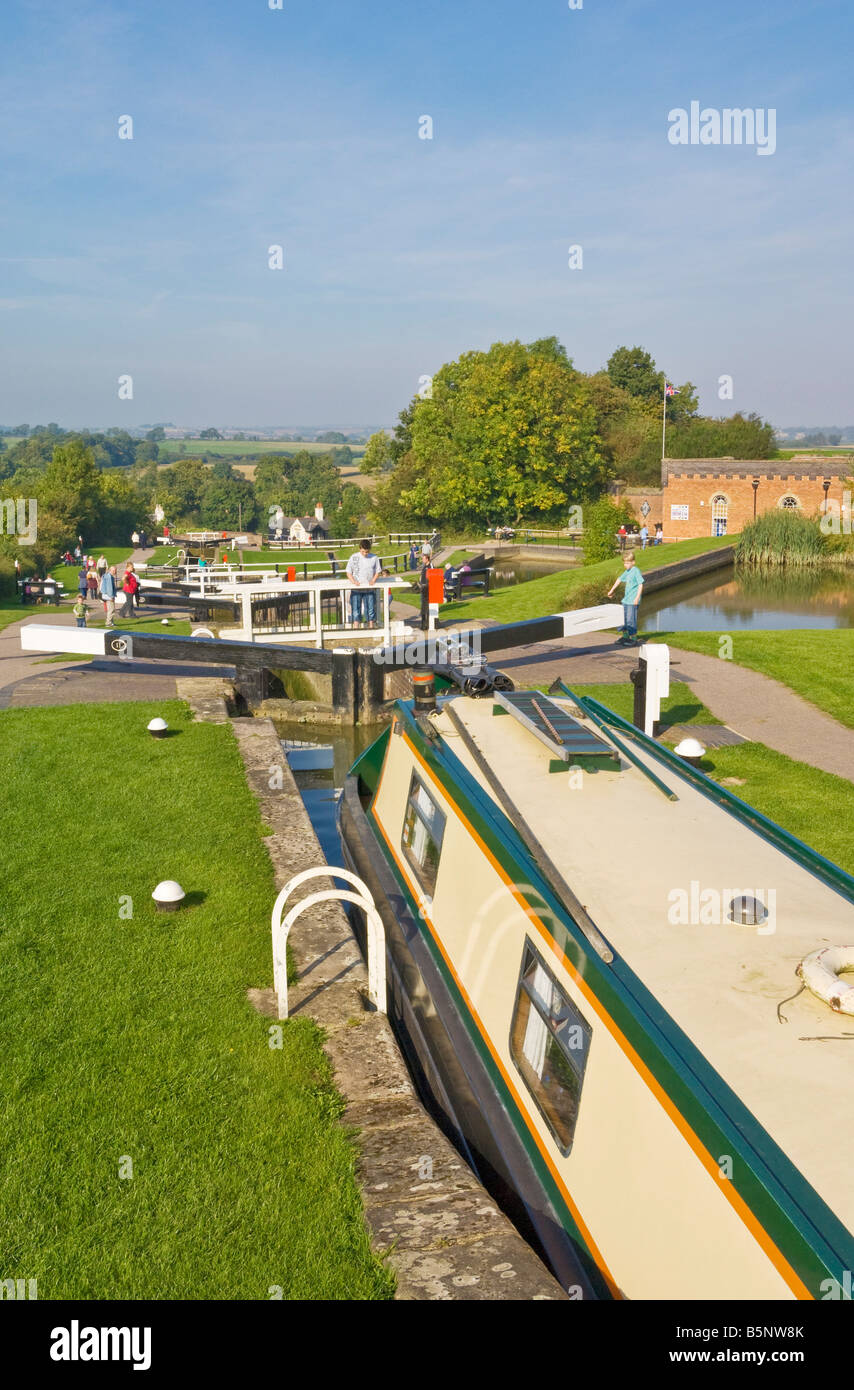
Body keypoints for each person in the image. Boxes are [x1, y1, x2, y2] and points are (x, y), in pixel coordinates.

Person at [607, 551, 644, 646]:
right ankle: (625, 636)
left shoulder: (636, 571)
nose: (625, 565)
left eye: (627, 563)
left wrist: (637, 598)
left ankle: (634, 638)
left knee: (631, 620)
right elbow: (619, 579)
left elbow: (640, 584)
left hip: (633, 601)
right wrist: (612, 590)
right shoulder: (627, 572)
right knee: (622, 618)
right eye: (624, 563)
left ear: (633, 562)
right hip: (626, 600)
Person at [346, 537, 380, 627]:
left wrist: (373, 580)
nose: (365, 554)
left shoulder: (374, 558)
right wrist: (353, 581)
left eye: (367, 552)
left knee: (370, 608)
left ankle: (371, 626)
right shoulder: (354, 557)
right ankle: (356, 627)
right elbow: (348, 571)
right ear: (359, 548)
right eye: (363, 552)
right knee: (356, 609)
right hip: (357, 588)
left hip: (369, 588)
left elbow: (378, 571)